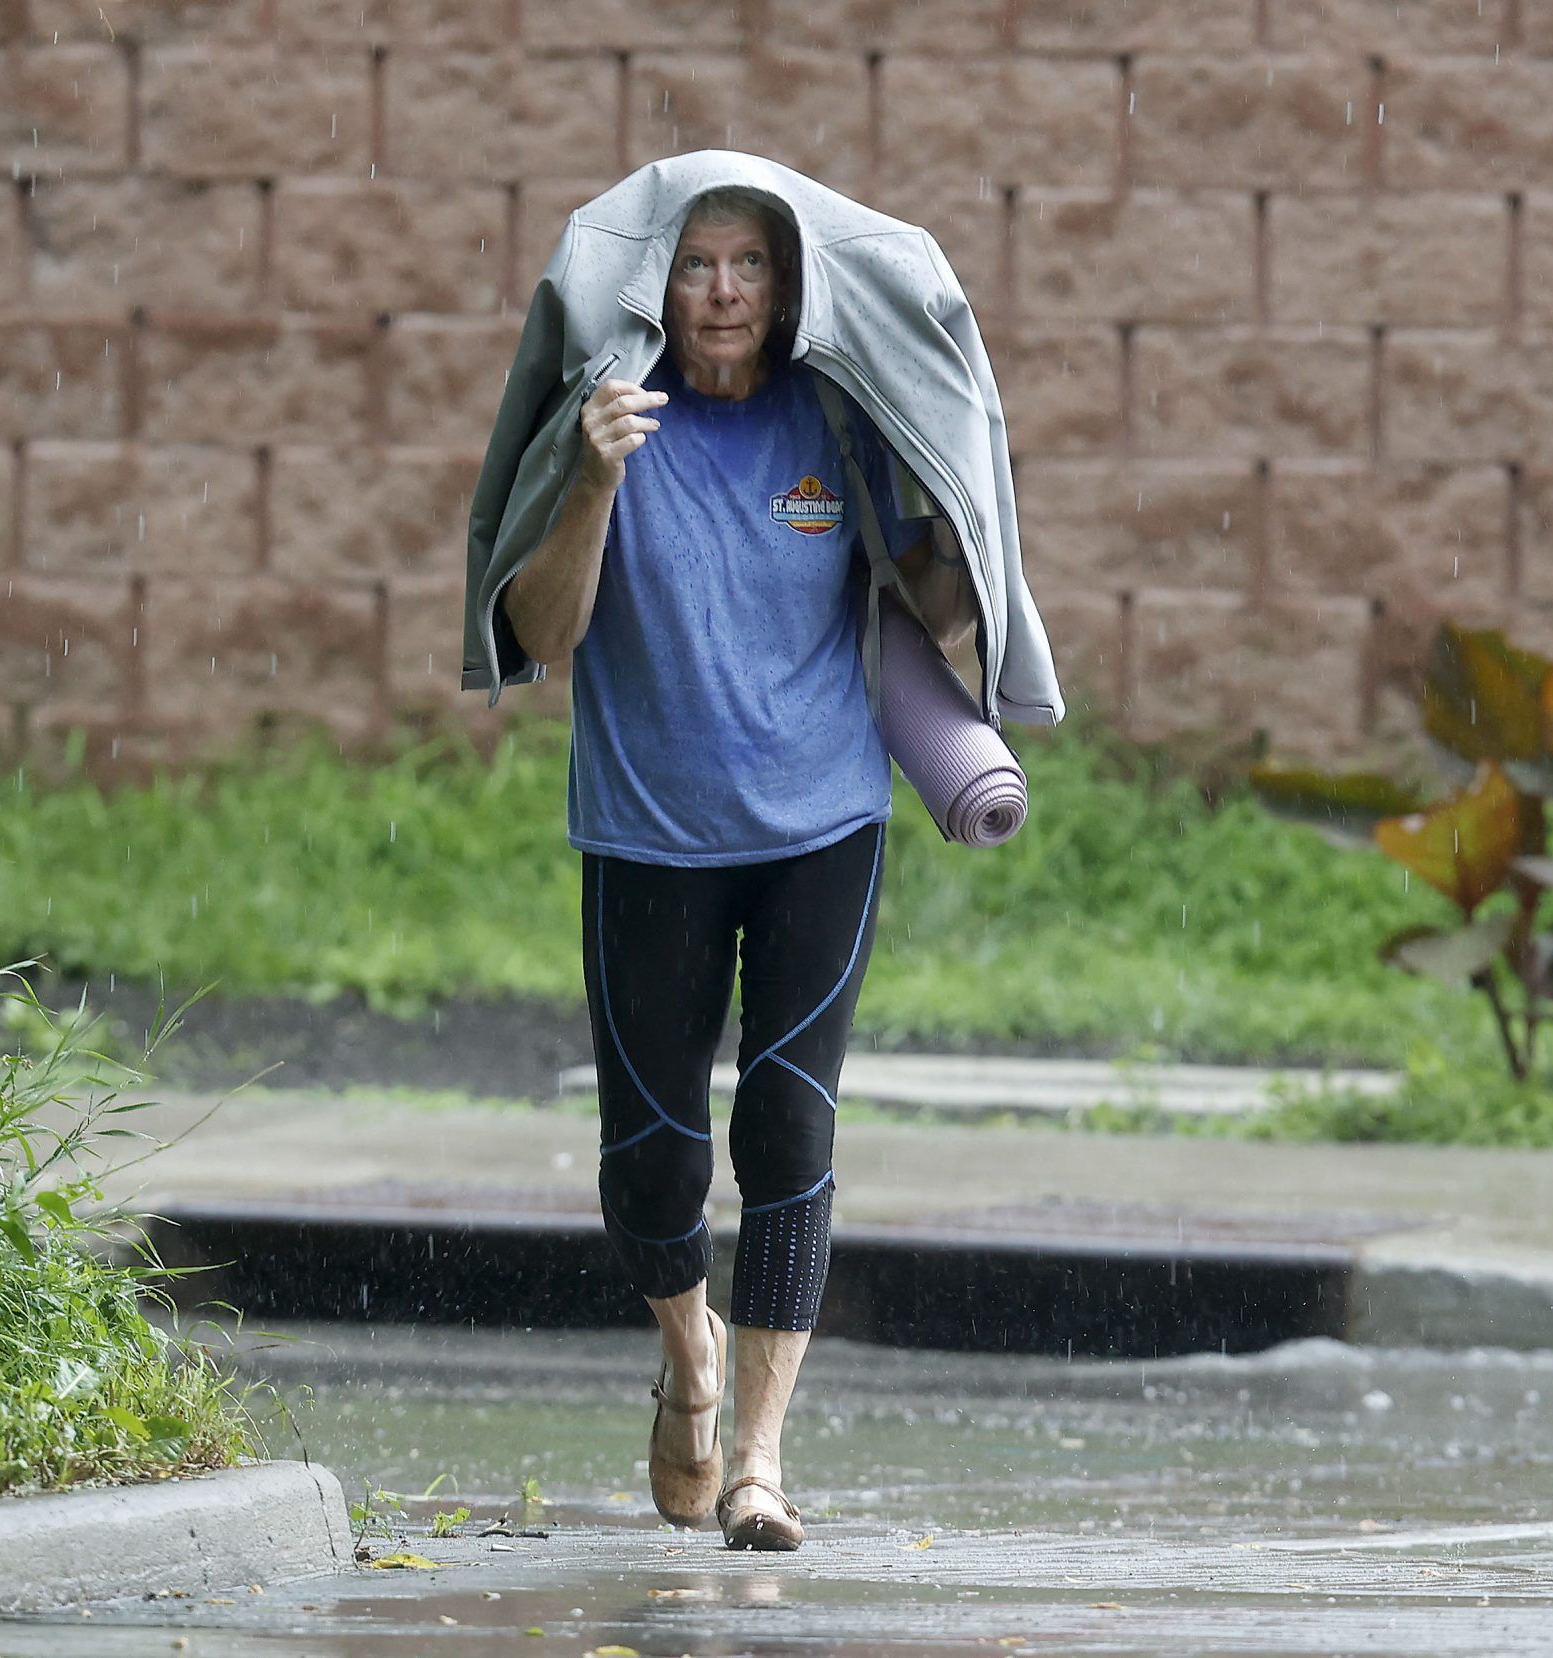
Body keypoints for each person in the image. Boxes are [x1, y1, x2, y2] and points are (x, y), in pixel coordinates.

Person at [500, 186, 978, 1551]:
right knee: (653, 1167)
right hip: (649, 830)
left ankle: (761, 1459)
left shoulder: (835, 414)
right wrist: (591, 475)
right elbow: (544, 631)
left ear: (785, 286)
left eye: (748, 265)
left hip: (822, 823)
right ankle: (690, 1357)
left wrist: (944, 503)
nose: (721, 292)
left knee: (788, 1128)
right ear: (666, 282)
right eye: (698, 265)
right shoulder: (610, 418)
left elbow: (939, 603)